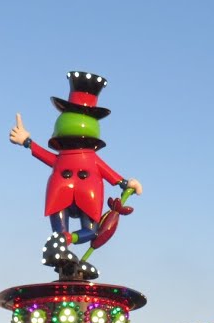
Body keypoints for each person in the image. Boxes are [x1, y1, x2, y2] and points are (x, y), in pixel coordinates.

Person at [8, 71, 142, 277]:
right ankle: (63, 249)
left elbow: (109, 173)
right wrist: (26, 141)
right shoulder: (71, 158)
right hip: (66, 191)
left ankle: (64, 244)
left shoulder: (86, 159)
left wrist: (126, 183)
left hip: (80, 192)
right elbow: (50, 158)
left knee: (88, 232)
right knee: (83, 231)